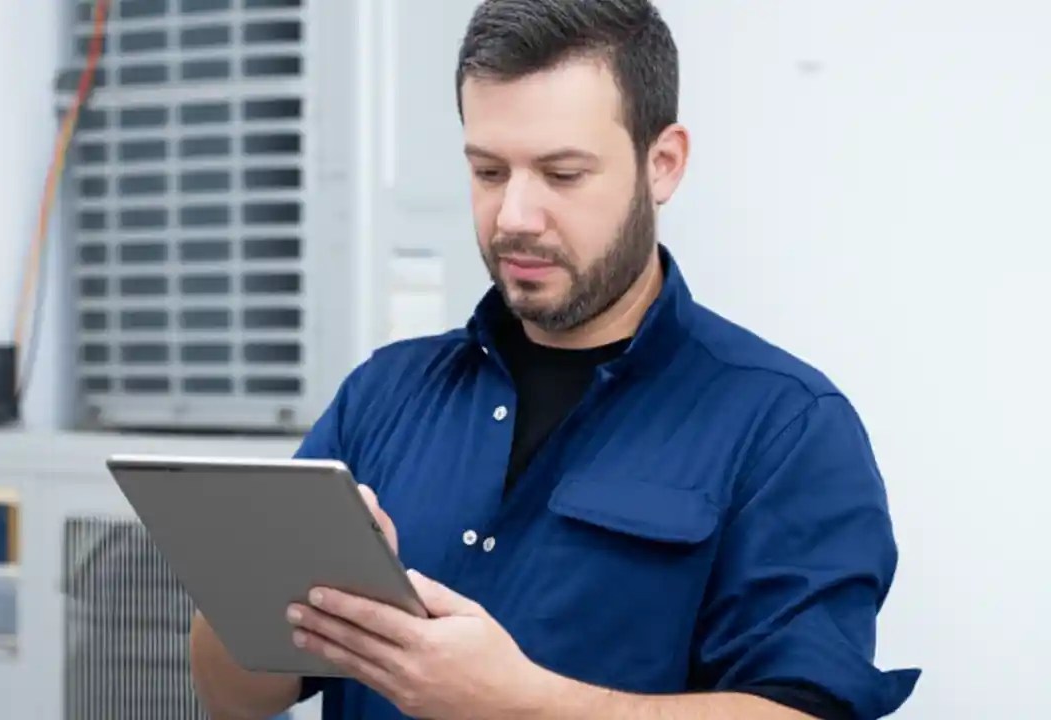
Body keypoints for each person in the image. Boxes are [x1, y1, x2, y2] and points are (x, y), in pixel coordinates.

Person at [189, 1, 920, 718]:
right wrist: (262, 587)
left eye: (562, 174)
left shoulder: (785, 428)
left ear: (661, 165)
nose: (514, 217)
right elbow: (234, 698)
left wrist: (519, 705)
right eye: (489, 172)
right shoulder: (383, 395)